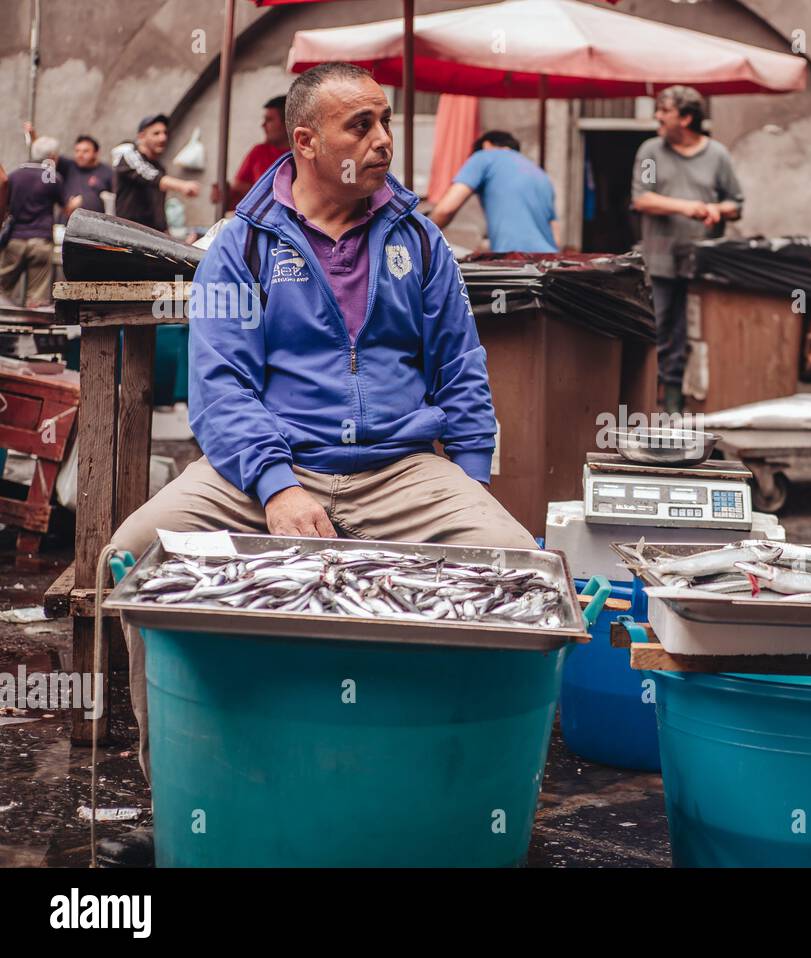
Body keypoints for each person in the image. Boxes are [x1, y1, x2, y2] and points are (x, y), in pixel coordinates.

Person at [97, 62, 534, 867]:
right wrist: (277, 488)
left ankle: (456, 795)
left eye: (385, 121)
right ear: (305, 142)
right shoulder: (239, 245)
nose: (383, 141)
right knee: (136, 555)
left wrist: (466, 483)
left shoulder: (419, 238)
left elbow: (462, 369)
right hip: (265, 460)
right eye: (359, 125)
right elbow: (221, 390)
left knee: (522, 573)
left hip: (401, 464)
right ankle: (183, 797)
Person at [630, 86, 743, 415]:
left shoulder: (718, 155)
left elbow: (736, 202)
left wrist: (717, 210)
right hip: (661, 257)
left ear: (687, 117)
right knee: (661, 328)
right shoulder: (651, 150)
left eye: (664, 111)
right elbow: (642, 198)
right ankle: (662, 403)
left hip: (704, 263)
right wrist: (689, 207)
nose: (658, 117)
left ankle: (702, 402)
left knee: (703, 332)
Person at [432, 130, 558, 253]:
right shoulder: (540, 173)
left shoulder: (484, 156)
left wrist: (418, 234)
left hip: (516, 261)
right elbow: (554, 229)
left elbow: (446, 209)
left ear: (486, 145)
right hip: (548, 259)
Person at [0, 137, 76, 308]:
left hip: (15, 240)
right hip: (41, 241)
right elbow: (67, 208)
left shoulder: (14, 175)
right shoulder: (53, 177)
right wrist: (74, 204)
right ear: (52, 156)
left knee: (2, 287)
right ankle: (33, 330)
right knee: (37, 298)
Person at [112, 114, 200, 233]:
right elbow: (150, 176)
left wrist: (166, 233)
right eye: (156, 133)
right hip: (129, 233)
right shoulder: (129, 157)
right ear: (141, 136)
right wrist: (182, 185)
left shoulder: (159, 167)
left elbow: (158, 207)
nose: (163, 138)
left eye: (165, 133)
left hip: (153, 235)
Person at [211, 95, 290, 211]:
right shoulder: (259, 152)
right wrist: (224, 195)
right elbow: (237, 195)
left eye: (269, 120)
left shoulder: (304, 154)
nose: (263, 125)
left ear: (287, 123)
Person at [23, 123, 113, 217]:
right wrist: (33, 137)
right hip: (65, 223)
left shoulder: (107, 173)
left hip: (94, 225)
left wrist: (85, 200)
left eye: (85, 151)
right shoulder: (68, 166)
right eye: (77, 151)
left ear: (96, 153)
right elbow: (45, 153)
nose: (80, 155)